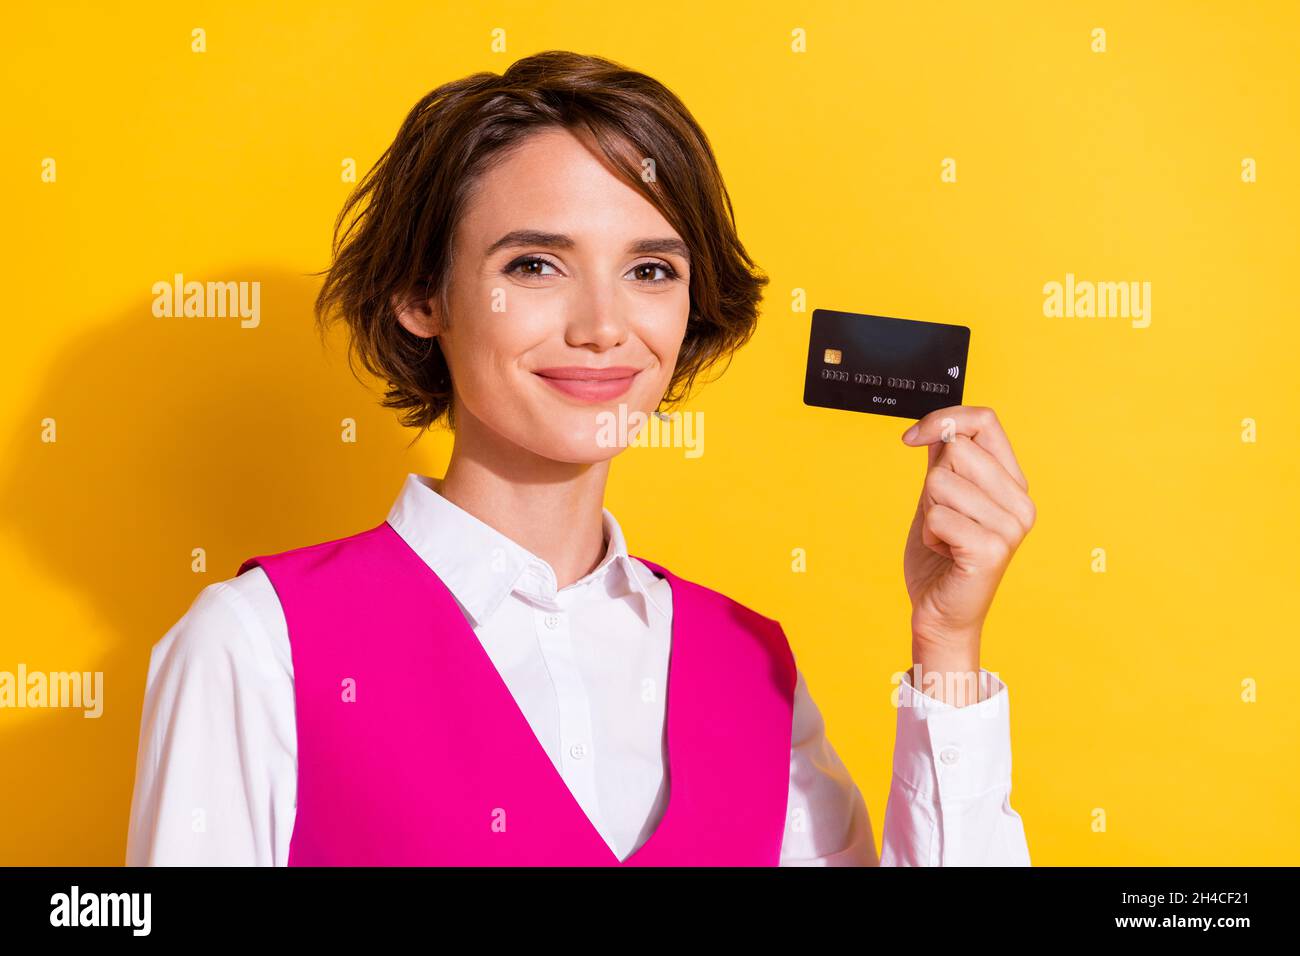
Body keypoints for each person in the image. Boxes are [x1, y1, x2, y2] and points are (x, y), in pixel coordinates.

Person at [125, 50, 1035, 866]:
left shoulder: (752, 668)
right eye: (534, 265)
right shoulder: (257, 646)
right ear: (420, 294)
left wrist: (946, 646)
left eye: (650, 271)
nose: (604, 328)